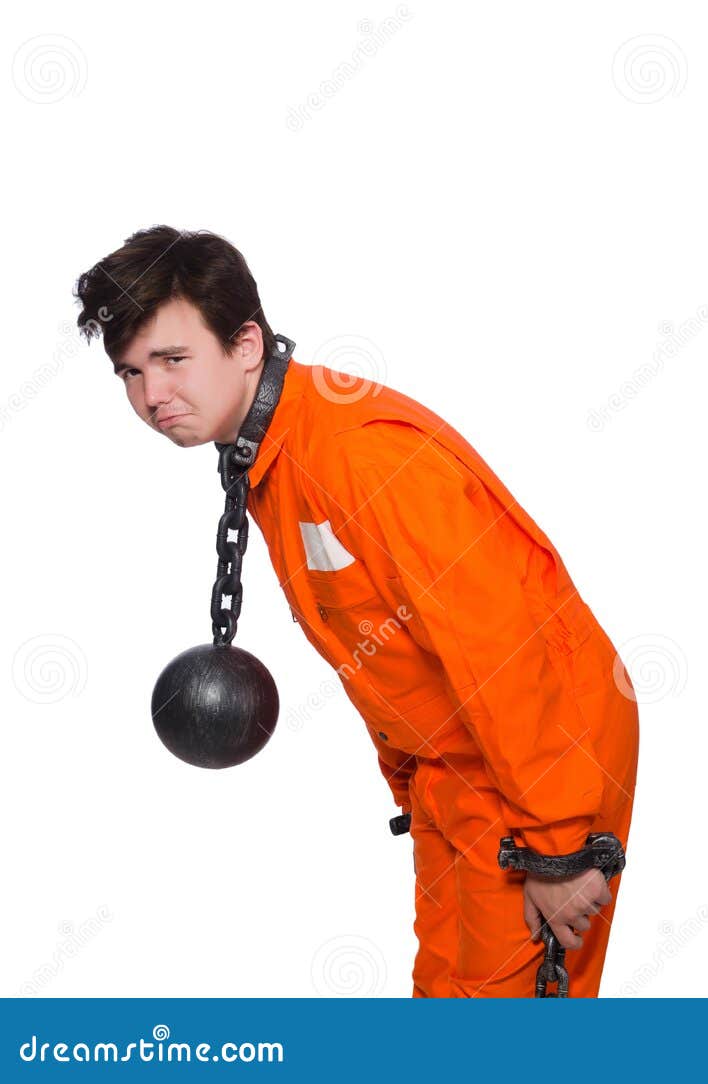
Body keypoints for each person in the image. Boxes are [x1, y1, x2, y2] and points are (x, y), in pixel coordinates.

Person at [74, 227, 638, 997]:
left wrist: (560, 851)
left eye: (173, 360)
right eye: (131, 372)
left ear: (245, 344)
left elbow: (503, 645)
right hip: (455, 770)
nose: (151, 396)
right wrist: (414, 786)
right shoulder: (270, 452)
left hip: (541, 761)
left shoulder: (357, 454)